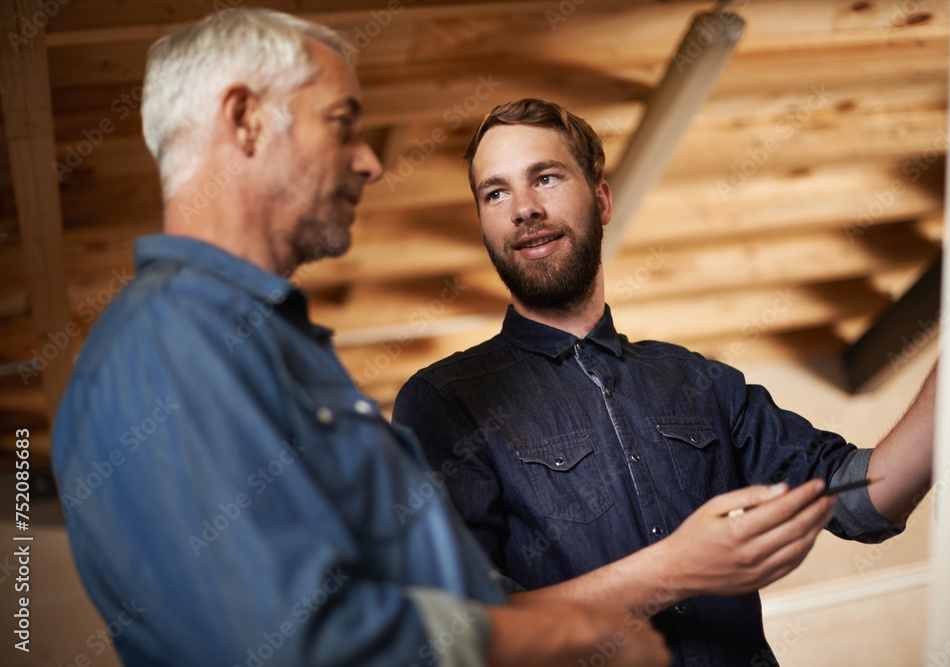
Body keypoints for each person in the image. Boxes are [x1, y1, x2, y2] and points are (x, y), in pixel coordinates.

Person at [51, 15, 671, 667]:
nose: (371, 162)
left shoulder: (258, 341)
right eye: (341, 122)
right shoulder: (172, 340)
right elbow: (285, 641)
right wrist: (552, 635)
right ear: (246, 119)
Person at [392, 98, 937, 666]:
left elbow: (864, 497)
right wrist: (675, 569)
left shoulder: (699, 381)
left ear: (601, 199)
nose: (523, 209)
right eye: (495, 193)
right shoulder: (445, 402)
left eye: (546, 178)